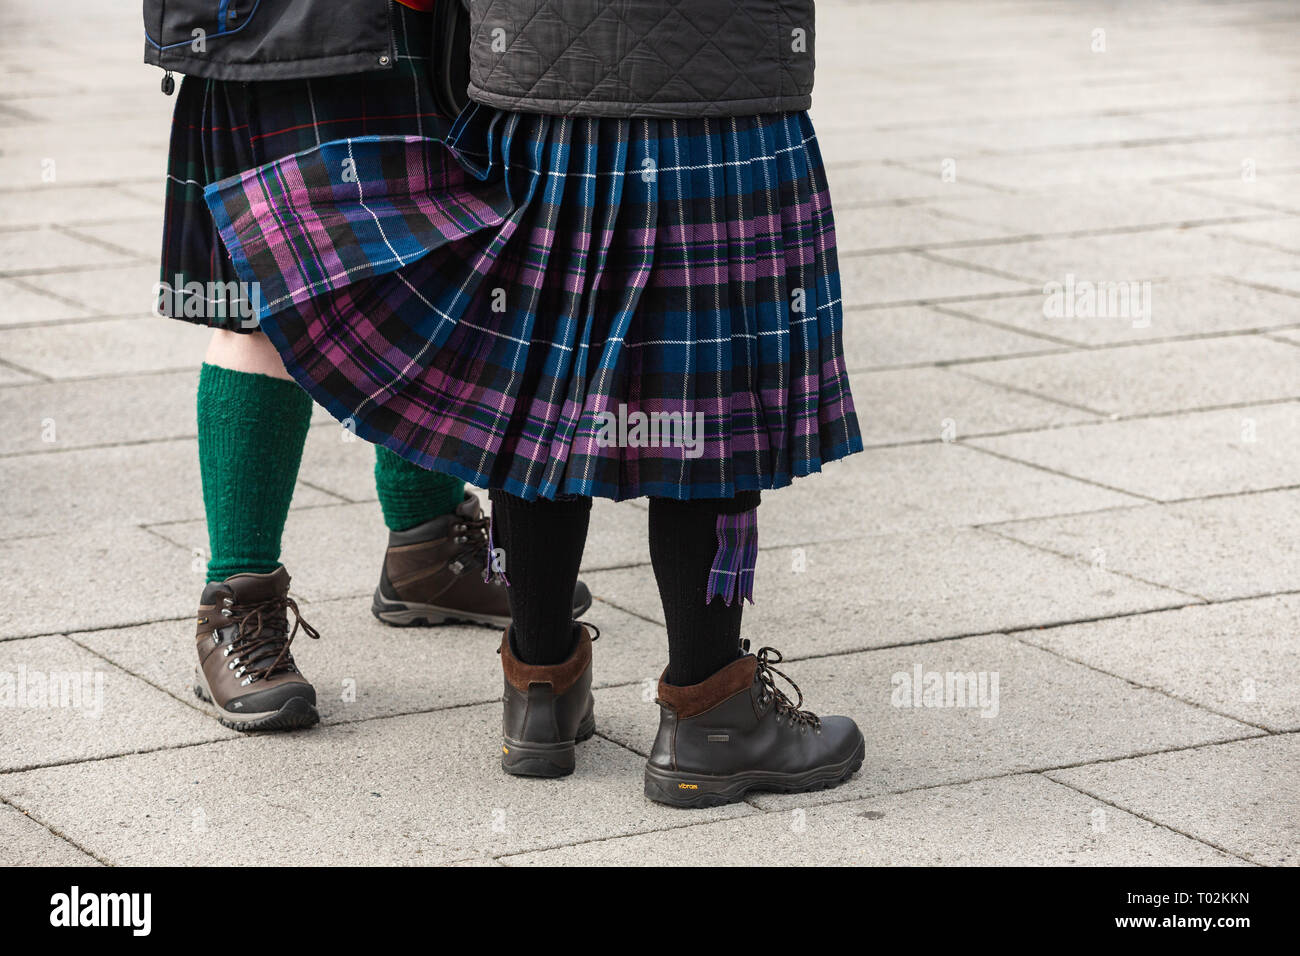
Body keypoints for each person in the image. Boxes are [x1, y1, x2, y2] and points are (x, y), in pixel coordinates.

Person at [149, 0, 866, 806]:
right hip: (327, 27)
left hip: (515, 55)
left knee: (526, 358)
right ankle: (239, 596)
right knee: (693, 381)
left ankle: (504, 640)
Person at [150, 1, 590, 732]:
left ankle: (426, 545)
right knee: (264, 302)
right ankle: (235, 602)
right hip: (279, 25)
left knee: (424, 267)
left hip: (412, 24)